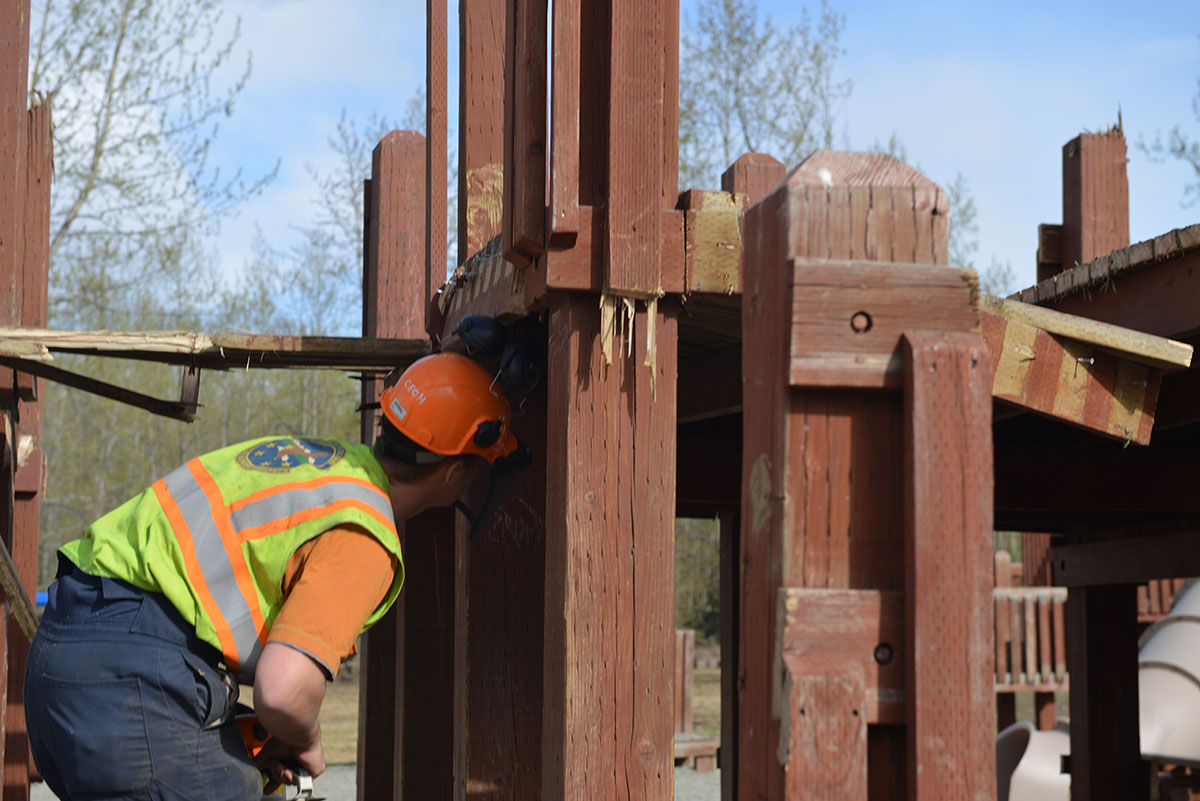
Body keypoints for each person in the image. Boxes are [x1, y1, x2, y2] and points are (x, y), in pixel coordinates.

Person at [24, 351, 527, 800]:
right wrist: (306, 739)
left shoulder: (320, 467)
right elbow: (285, 691)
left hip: (64, 665)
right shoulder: (365, 532)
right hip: (131, 688)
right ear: (456, 472)